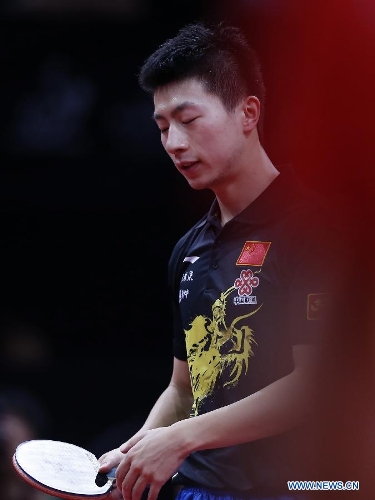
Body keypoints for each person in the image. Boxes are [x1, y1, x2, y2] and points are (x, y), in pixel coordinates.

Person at [98, 21, 341, 500]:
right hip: (201, 490)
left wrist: (180, 438)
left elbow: (318, 387)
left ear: (248, 113)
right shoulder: (189, 250)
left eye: (188, 120)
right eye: (163, 127)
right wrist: (138, 448)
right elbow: (184, 389)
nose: (173, 144)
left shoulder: (318, 234)